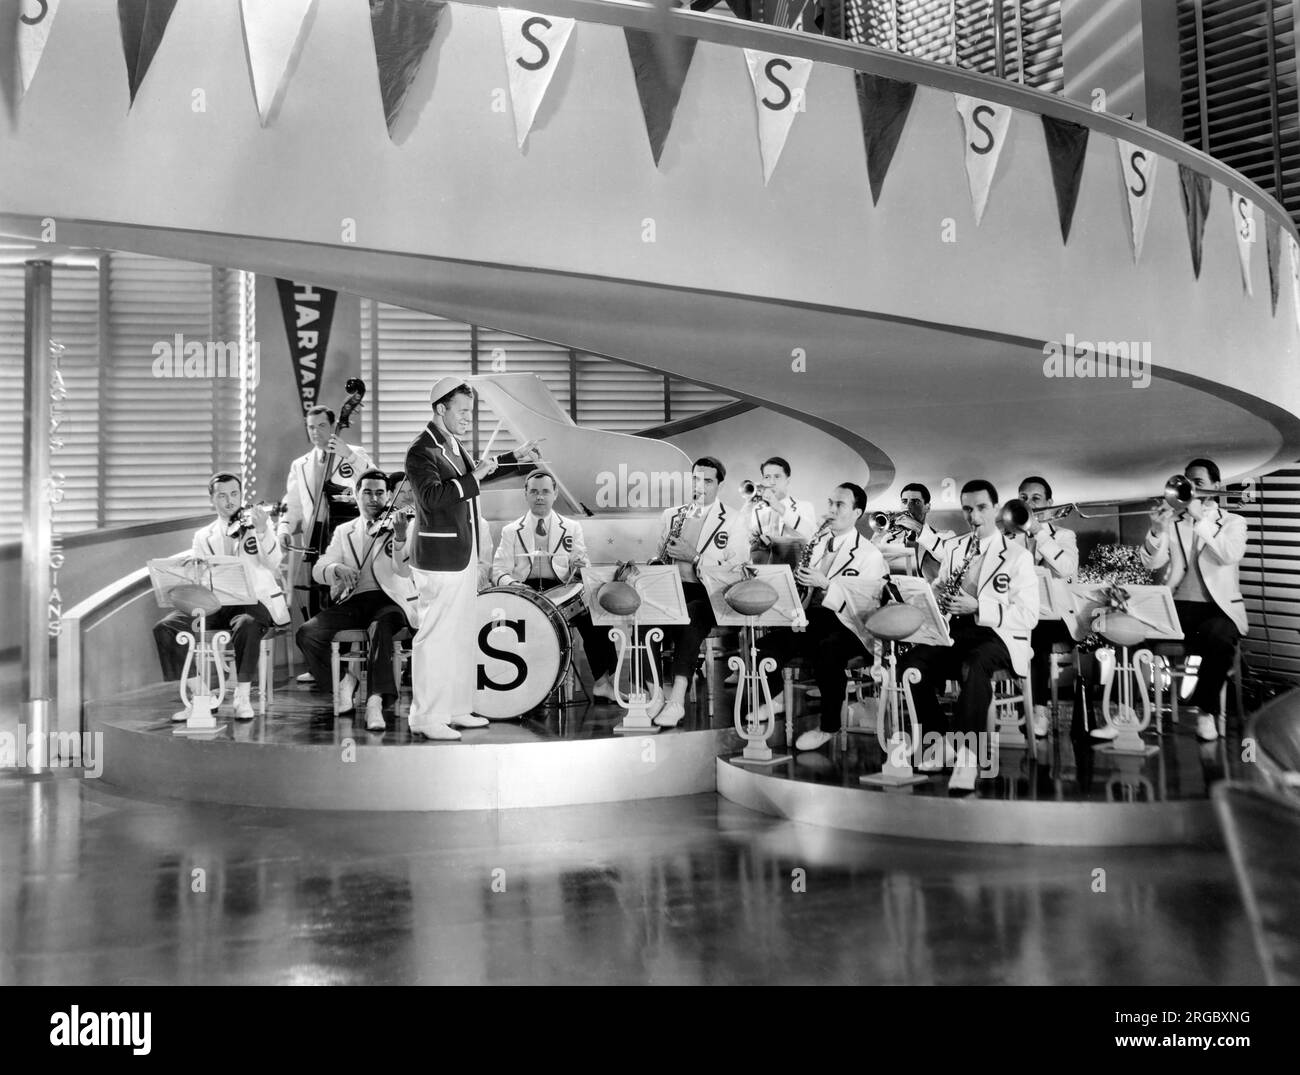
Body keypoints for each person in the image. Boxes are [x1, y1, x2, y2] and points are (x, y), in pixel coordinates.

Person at [404, 378, 541, 740]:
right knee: (435, 637)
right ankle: (426, 715)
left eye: (471, 412)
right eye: (463, 411)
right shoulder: (422, 451)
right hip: (440, 558)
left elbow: (480, 470)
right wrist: (473, 477)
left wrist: (517, 458)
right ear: (440, 410)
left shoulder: (452, 444)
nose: (469, 418)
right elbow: (433, 497)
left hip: (461, 556)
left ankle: (456, 707)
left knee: (461, 634)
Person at [899, 479, 1039, 791]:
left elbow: (1028, 616)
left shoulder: (1018, 557)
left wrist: (979, 606)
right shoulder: (955, 548)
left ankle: (967, 756)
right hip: (958, 630)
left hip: (999, 635)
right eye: (967, 509)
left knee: (975, 666)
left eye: (981, 508)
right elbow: (942, 586)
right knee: (911, 665)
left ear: (996, 509)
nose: (973, 516)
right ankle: (938, 740)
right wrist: (934, 594)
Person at [753, 482, 888, 751]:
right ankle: (777, 696)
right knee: (765, 647)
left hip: (851, 625)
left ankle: (829, 726)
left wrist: (826, 584)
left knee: (828, 651)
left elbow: (865, 607)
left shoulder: (868, 554)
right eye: (830, 503)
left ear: (857, 512)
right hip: (815, 618)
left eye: (840, 505)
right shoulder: (818, 543)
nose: (832, 510)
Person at [153, 472, 289, 722]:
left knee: (247, 624)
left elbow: (273, 562)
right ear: (212, 500)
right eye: (222, 496)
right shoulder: (203, 536)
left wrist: (261, 531)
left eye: (235, 494)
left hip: (253, 602)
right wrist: (194, 569)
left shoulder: (259, 525)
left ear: (241, 495)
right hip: (215, 605)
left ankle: (242, 696)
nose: (230, 501)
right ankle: (200, 696)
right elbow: (197, 584)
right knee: (165, 627)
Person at [296, 469, 419, 731]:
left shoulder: (402, 525)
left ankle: (375, 702)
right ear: (356, 494)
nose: (374, 498)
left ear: (388, 495)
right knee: (307, 632)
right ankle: (344, 682)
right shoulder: (344, 531)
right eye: (367, 492)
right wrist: (336, 570)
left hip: (390, 600)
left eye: (380, 493)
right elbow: (321, 567)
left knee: (381, 626)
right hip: (354, 600)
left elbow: (404, 571)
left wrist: (399, 538)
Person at [1139, 457, 1247, 742]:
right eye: (1187, 482)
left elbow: (1229, 555)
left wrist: (1201, 518)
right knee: (1130, 629)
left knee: (1219, 637)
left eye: (1198, 483)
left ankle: (1205, 712)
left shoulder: (1233, 521)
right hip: (1179, 606)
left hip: (1218, 609)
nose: (1191, 487)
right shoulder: (1174, 522)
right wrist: (1157, 530)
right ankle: (1128, 714)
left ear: (1216, 486)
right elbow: (1152, 563)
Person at [491, 469, 619, 702]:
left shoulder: (571, 527)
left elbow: (583, 565)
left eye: (545, 492)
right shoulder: (510, 531)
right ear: (526, 494)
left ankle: (603, 683)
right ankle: (523, 687)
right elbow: (498, 571)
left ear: (555, 494)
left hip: (563, 591)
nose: (540, 497)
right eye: (534, 492)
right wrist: (515, 586)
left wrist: (579, 568)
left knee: (595, 618)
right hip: (526, 595)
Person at [649, 456, 749, 728]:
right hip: (674, 589)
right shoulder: (672, 515)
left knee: (691, 616)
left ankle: (677, 699)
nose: (700, 486)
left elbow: (737, 570)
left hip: (713, 594)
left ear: (719, 485)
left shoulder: (734, 519)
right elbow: (660, 556)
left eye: (707, 481)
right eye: (695, 479)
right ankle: (654, 694)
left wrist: (695, 558)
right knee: (644, 617)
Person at [277, 404, 375, 678]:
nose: (316, 432)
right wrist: (285, 528)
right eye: (311, 427)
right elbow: (293, 504)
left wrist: (348, 456)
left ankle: (351, 665)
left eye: (321, 426)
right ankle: (319, 663)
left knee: (344, 601)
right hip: (314, 537)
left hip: (343, 539)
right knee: (316, 600)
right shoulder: (301, 464)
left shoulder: (353, 454)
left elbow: (374, 480)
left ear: (333, 426)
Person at [1015, 475, 1079, 739]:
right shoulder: (1010, 538)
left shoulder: (1064, 535)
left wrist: (1039, 533)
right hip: (1021, 616)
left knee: (1036, 637)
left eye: (1036, 499)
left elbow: (1067, 569)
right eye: (1023, 499)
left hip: (1057, 618)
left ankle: (1038, 709)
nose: (1029, 504)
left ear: (1050, 504)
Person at [872, 482, 955, 581]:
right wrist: (879, 532)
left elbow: (949, 559)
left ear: (927, 507)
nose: (908, 506)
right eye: (904, 501)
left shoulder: (945, 535)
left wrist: (916, 526)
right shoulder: (889, 539)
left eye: (915, 502)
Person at [746, 456, 816, 565]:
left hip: (795, 568)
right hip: (763, 569)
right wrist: (747, 507)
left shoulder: (805, 506)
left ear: (788, 480)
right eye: (767, 477)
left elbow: (810, 534)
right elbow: (746, 542)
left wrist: (778, 506)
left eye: (777, 477)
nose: (771, 482)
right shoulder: (757, 509)